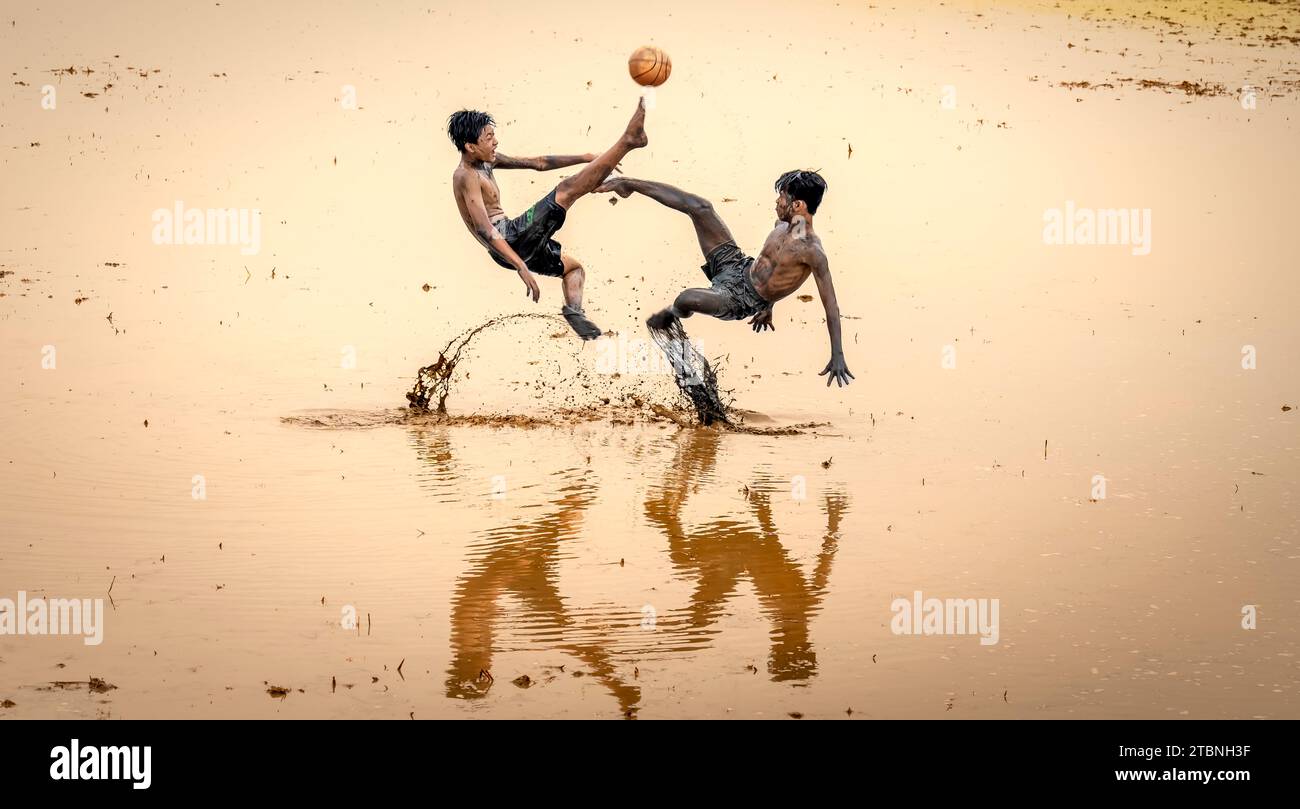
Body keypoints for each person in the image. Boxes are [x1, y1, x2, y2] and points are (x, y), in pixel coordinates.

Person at [598, 169, 854, 387]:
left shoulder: (811, 251)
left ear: (797, 205)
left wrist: (837, 354)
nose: (777, 202)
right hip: (737, 265)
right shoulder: (784, 227)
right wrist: (771, 305)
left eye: (782, 197)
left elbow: (831, 306)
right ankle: (629, 184)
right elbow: (780, 270)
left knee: (686, 298)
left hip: (740, 299)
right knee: (700, 207)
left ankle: (672, 315)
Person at [448, 99, 648, 339]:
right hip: (509, 239)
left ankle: (575, 312)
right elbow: (484, 228)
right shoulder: (465, 175)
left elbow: (539, 163)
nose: (495, 141)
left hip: (513, 248)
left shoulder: (488, 160)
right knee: (566, 190)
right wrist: (521, 266)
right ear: (470, 146)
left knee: (573, 270)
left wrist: (585, 157)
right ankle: (629, 141)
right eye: (489, 138)